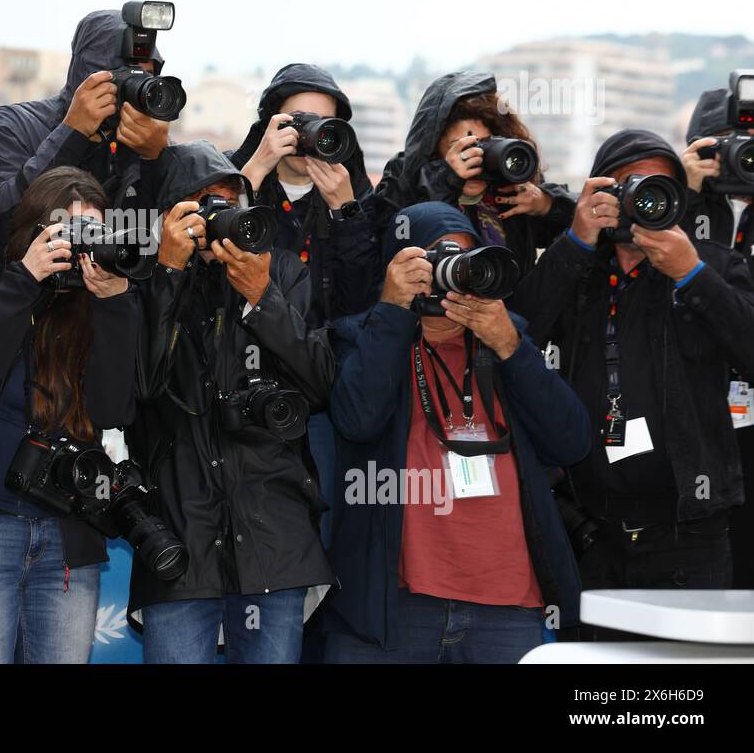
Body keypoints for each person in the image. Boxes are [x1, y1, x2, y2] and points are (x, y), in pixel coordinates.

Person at [322, 202, 590, 663]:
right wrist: (392, 310)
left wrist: (509, 344)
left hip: (507, 603)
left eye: (466, 259)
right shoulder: (363, 337)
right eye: (435, 258)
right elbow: (356, 420)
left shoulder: (506, 340)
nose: (452, 272)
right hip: (393, 604)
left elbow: (572, 442)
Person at [512, 129, 754, 615]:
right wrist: (576, 239)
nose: (641, 197)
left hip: (690, 531)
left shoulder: (713, 266)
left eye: (656, 186)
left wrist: (692, 273)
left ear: (677, 200)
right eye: (625, 185)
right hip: (590, 529)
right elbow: (518, 331)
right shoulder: (577, 267)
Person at [128, 141, 335, 664]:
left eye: (228, 202)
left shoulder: (282, 272)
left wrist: (263, 299)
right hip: (180, 544)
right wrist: (168, 276)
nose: (216, 217)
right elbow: (137, 392)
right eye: (201, 203)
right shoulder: (140, 278)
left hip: (274, 538)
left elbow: (319, 384)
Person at [0, 167, 141, 663]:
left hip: (67, 540)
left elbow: (114, 409)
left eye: (94, 234)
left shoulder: (103, 306)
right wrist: (25, 278)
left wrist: (115, 305)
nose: (81, 248)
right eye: (69, 234)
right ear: (34, 233)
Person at [0, 9, 172, 235]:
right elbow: (1, 222)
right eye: (126, 76)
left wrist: (158, 159)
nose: (135, 88)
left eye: (147, 78)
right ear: (88, 73)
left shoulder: (149, 139)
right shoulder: (12, 124)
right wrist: (72, 133)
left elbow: (172, 230)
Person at [375, 72, 573, 280]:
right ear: (433, 149)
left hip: (504, 310)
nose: (475, 157)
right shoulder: (405, 176)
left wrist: (546, 204)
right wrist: (445, 180)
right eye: (461, 148)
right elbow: (390, 238)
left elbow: (579, 240)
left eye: (485, 145)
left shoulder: (510, 191)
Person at [231, 63, 383, 326]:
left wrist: (346, 211)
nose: (310, 133)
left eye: (323, 123)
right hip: (245, 346)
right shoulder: (233, 174)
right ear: (271, 123)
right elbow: (215, 264)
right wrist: (251, 177)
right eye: (299, 120)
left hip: (322, 352)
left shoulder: (354, 190)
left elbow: (360, 298)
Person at [681, 87, 754, 586]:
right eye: (725, 144)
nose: (741, 156)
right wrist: (681, 195)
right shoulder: (675, 212)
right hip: (692, 425)